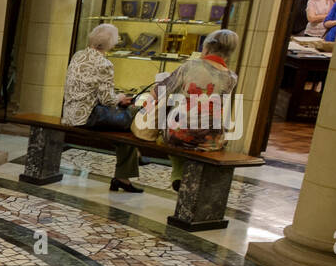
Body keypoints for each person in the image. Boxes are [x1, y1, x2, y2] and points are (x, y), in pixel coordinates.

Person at [61, 23, 139, 192]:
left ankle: (124, 174)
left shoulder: (78, 55)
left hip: (69, 114)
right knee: (135, 113)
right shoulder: (105, 64)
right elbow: (107, 100)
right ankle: (128, 168)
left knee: (125, 132)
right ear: (111, 43)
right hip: (88, 117)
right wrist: (119, 98)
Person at [158, 29, 240, 191]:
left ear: (207, 47)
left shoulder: (190, 66)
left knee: (172, 135)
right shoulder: (231, 77)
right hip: (211, 138)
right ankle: (189, 181)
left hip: (180, 133)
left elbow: (161, 91)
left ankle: (178, 174)